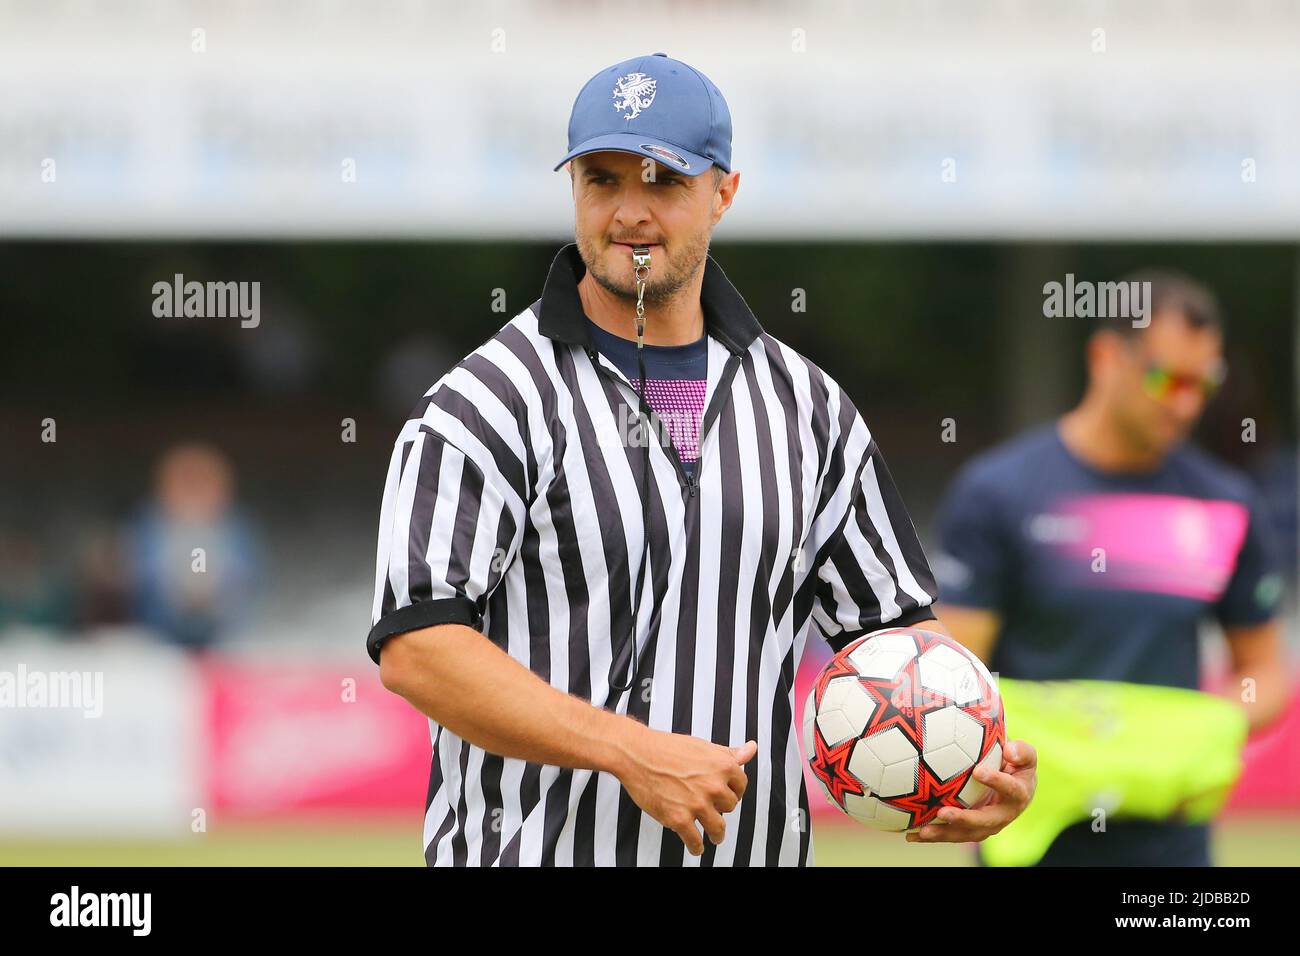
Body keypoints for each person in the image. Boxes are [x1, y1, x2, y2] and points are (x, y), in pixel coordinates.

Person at [368, 53, 1036, 866]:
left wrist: (976, 752)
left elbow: (895, 630)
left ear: (724, 192)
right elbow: (419, 648)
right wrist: (626, 749)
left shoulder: (809, 409)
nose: (629, 213)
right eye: (602, 180)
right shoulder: (484, 402)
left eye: (664, 182)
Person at [934, 271, 1290, 866]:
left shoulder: (1226, 503)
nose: (1185, 403)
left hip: (1172, 858)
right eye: (1165, 378)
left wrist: (1208, 728)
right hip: (1032, 845)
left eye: (1203, 383)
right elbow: (956, 679)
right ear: (1105, 356)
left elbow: (1265, 673)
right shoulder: (998, 492)